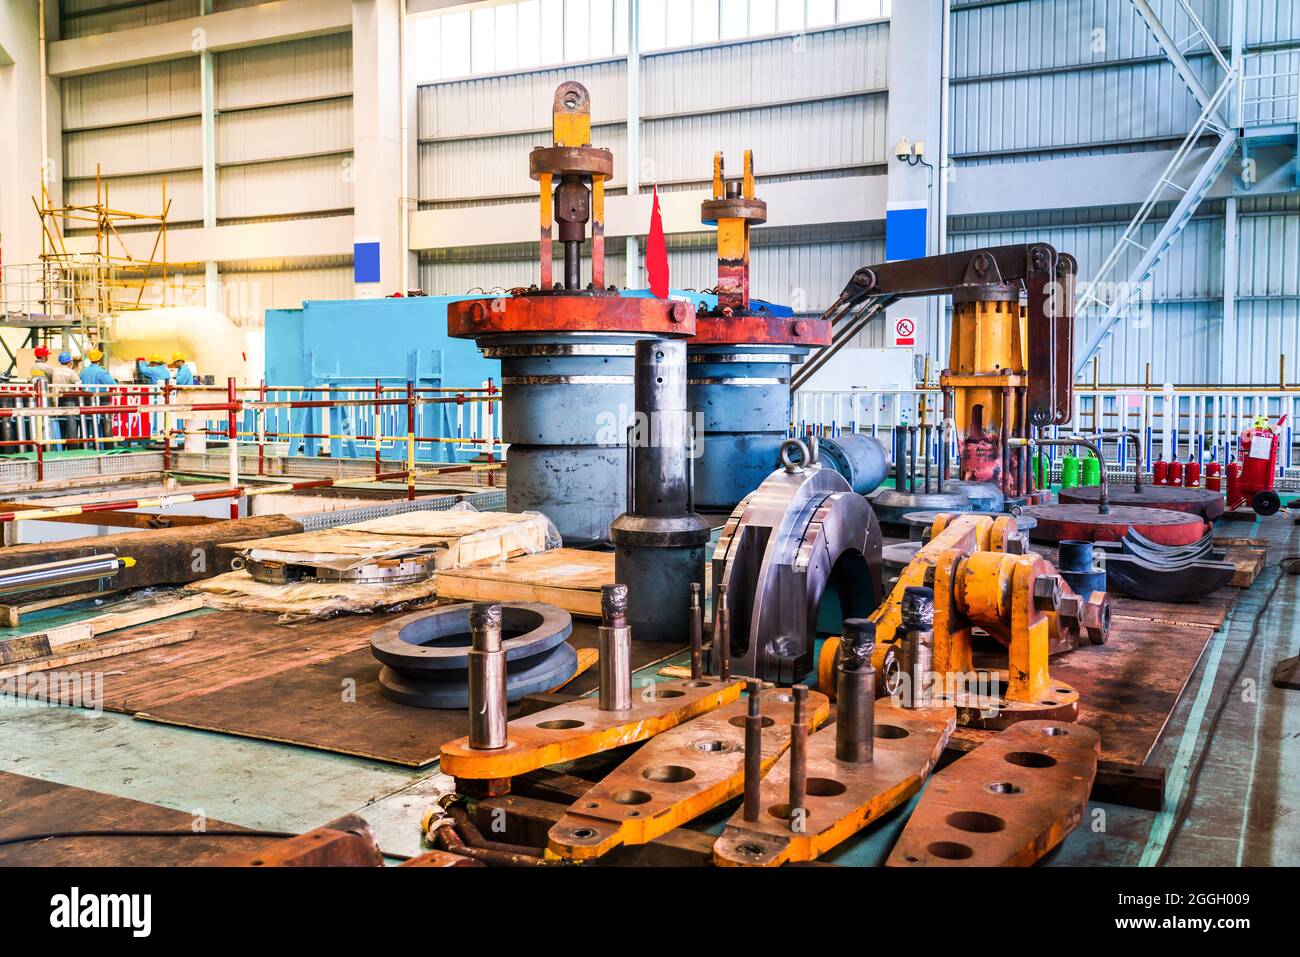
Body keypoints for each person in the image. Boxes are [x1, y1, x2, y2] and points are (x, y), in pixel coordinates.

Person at [81, 348, 117, 450]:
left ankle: (86, 446)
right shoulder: (102, 372)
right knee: (106, 423)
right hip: (101, 400)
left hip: (86, 400)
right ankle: (108, 446)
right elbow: (113, 384)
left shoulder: (84, 371)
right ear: (100, 359)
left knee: (88, 423)